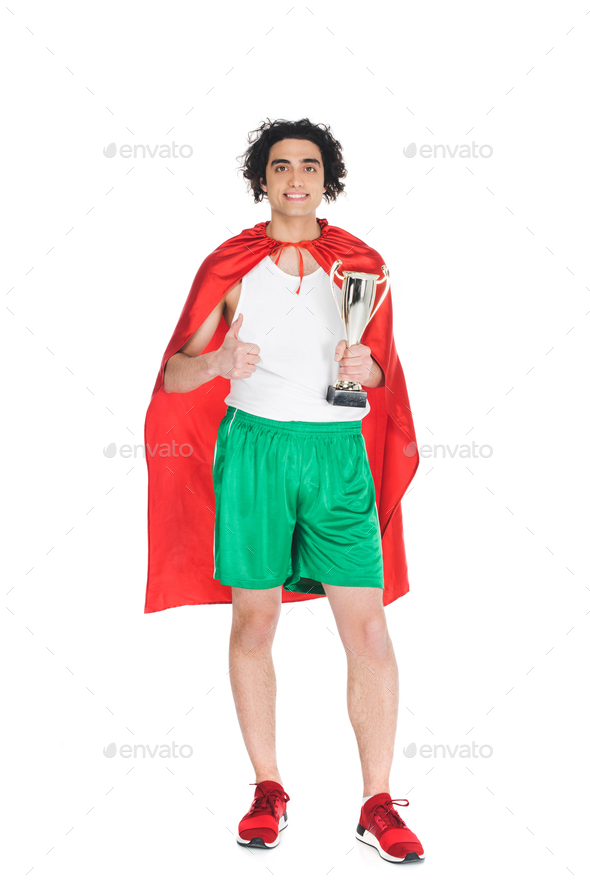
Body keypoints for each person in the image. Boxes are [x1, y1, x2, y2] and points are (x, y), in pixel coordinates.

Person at [161, 118, 424, 864]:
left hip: (336, 454)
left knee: (367, 629)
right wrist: (217, 364)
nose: (296, 179)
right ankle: (267, 788)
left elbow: (383, 374)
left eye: (310, 166)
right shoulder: (232, 266)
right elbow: (174, 372)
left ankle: (377, 801)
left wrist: (361, 369)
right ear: (263, 180)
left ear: (327, 178)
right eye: (282, 167)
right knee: (254, 622)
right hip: (255, 451)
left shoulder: (359, 265)